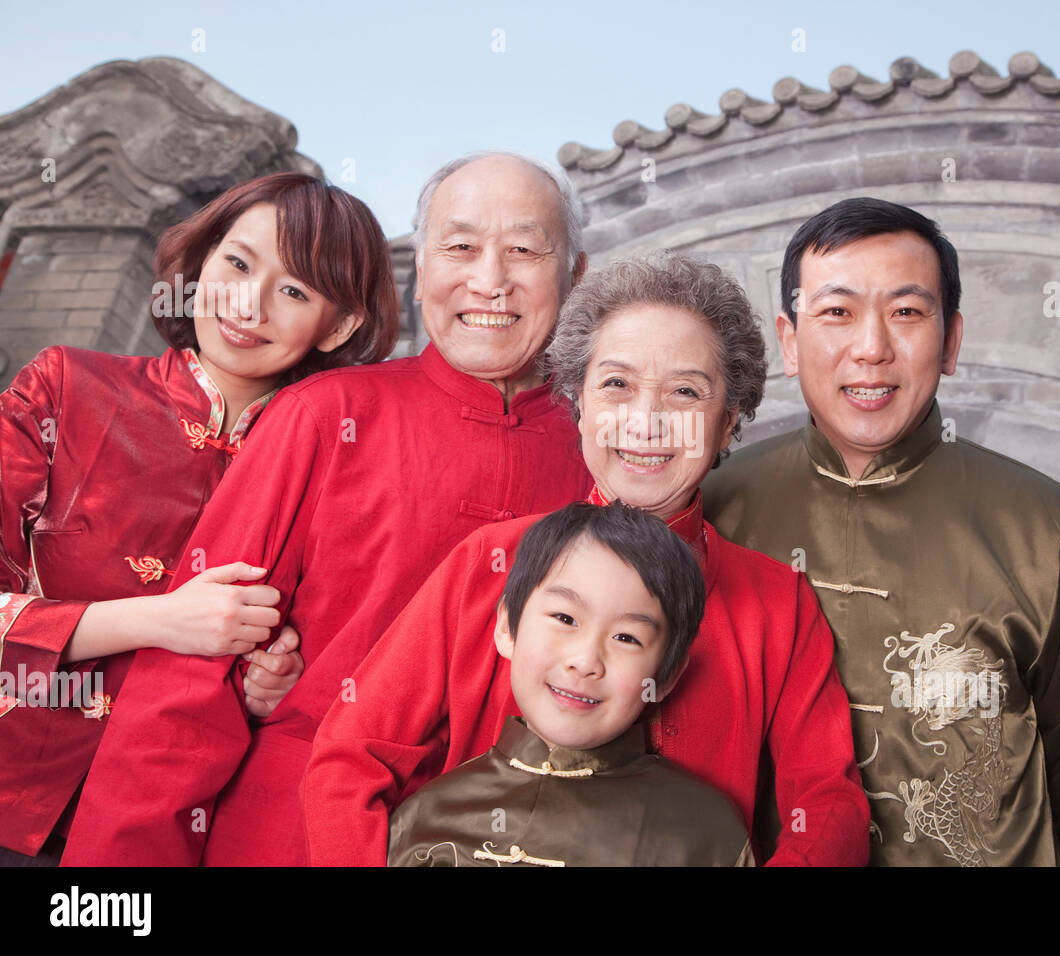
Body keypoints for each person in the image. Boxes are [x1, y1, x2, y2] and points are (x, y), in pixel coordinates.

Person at [63, 153, 594, 866]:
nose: (488, 279)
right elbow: (185, 688)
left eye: (524, 250)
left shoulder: (599, 452)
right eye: (460, 247)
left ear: (575, 274)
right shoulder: (325, 413)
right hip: (284, 832)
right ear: (422, 267)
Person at [303, 254, 870, 867]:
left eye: (685, 392)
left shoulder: (776, 601)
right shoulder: (491, 563)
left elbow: (829, 803)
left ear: (727, 421)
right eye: (616, 384)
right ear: (577, 404)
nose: (645, 422)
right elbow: (348, 763)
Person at [703, 197, 1060, 866]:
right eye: (837, 313)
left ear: (952, 339)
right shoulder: (717, 507)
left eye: (907, 313)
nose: (872, 348)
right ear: (790, 341)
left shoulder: (1043, 525)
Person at [0, 171, 399, 864]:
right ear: (202, 259)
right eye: (238, 263)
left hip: (175, 826)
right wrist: (159, 621)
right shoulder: (65, 386)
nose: (249, 304)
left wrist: (273, 686)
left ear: (340, 326)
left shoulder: (336, 464)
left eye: (295, 291)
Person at [388, 501, 753, 867]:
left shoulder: (705, 834)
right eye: (565, 617)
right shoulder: (425, 819)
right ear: (506, 627)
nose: (585, 662)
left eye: (626, 638)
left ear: (666, 675)